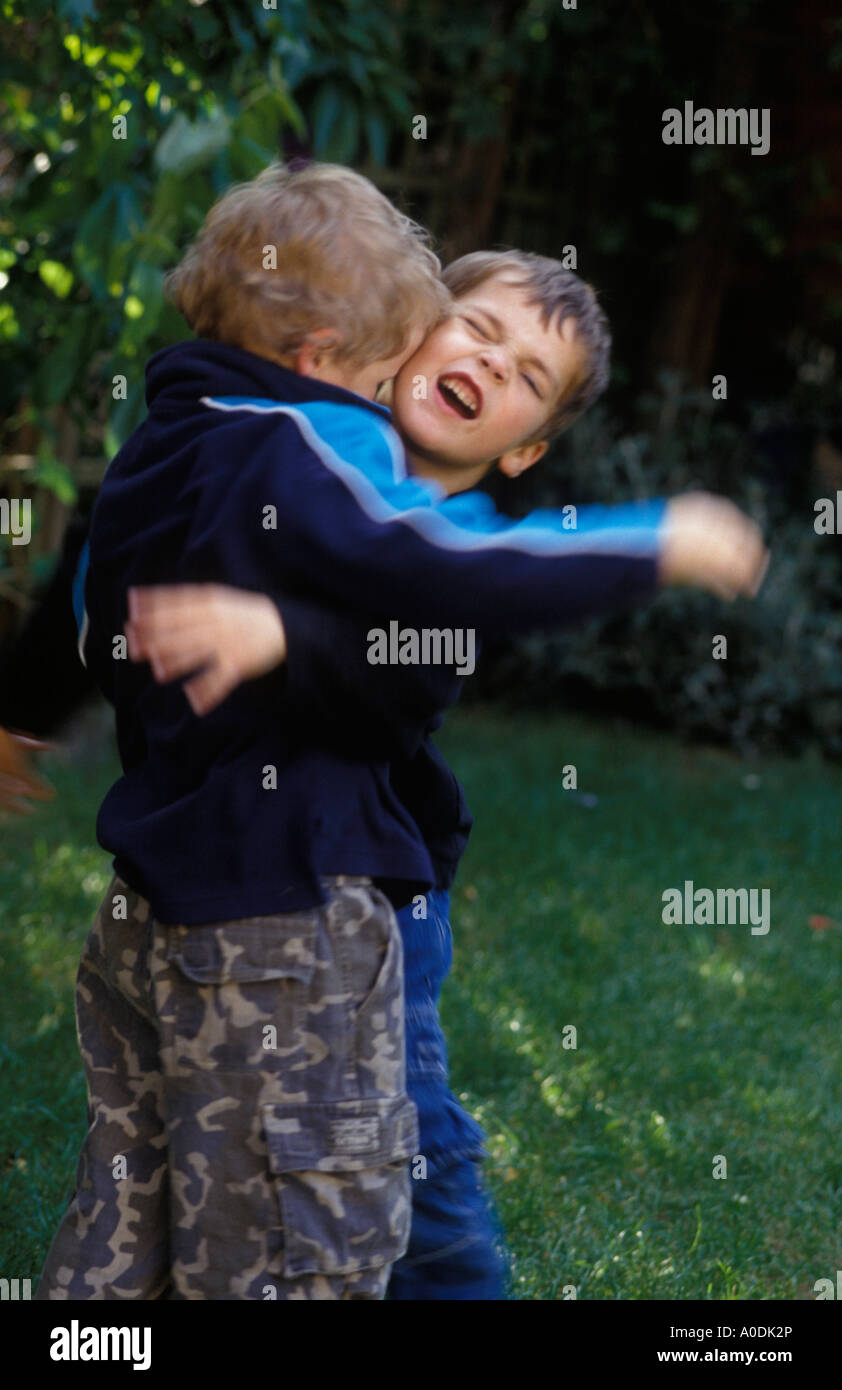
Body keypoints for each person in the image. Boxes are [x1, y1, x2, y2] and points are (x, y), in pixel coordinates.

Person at [32, 160, 766, 1302]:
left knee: (232, 1173)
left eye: (526, 375)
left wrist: (278, 634)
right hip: (287, 898)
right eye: (469, 329)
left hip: (252, 891)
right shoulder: (311, 454)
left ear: (526, 448)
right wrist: (649, 542)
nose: (484, 362)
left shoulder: (253, 459)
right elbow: (116, 581)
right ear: (388, 345)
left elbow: (400, 632)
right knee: (319, 1195)